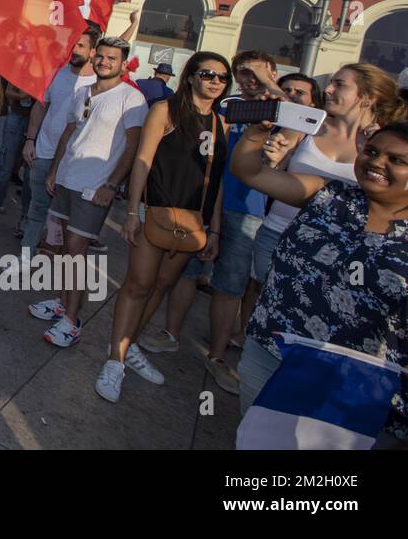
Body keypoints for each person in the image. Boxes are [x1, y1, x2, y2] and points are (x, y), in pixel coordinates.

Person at [230, 119, 408, 446]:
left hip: (358, 387)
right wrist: (257, 133)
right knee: (260, 443)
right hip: (275, 352)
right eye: (371, 151)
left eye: (396, 160)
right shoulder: (328, 192)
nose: (377, 162)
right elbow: (250, 172)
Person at [95, 53, 231, 402]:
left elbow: (214, 181)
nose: (215, 81)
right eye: (208, 74)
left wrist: (215, 229)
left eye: (222, 77)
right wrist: (131, 212)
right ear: (190, 77)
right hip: (153, 210)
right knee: (138, 285)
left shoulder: (220, 124)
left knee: (162, 285)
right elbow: (142, 161)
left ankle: (129, 345)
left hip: (190, 221)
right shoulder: (165, 111)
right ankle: (114, 360)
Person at [143, 50, 283, 388]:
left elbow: (288, 108)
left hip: (246, 209)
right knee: (186, 275)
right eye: (242, 74)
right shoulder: (227, 107)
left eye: (256, 75)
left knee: (230, 286)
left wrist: (266, 81)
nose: (248, 81)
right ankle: (170, 333)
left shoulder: (274, 108)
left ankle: (217, 357)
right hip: (203, 203)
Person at [243, 63, 405, 335]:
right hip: (278, 230)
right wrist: (274, 160)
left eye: (339, 85)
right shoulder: (309, 123)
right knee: (264, 297)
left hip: (339, 247)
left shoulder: (384, 143)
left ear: (367, 96)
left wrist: (371, 155)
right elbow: (269, 174)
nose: (328, 89)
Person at [31, 37, 146, 347]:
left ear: (124, 64)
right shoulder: (83, 92)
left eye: (113, 58)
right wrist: (55, 170)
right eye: (102, 56)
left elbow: (133, 146)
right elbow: (70, 132)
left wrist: (111, 184)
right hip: (67, 179)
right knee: (65, 249)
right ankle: (63, 302)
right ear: (95, 59)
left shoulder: (131, 99)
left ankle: (71, 320)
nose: (105, 62)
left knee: (77, 252)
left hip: (94, 187)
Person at [19, 29, 99, 253]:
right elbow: (40, 107)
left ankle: (56, 262)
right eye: (73, 44)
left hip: (73, 162)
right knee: (37, 208)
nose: (74, 50)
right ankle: (27, 253)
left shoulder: (97, 84)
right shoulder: (56, 74)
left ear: (93, 51)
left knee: (65, 218)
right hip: (44, 152)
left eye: (81, 46)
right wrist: (30, 140)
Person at [0, 79, 33, 230]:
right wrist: (22, 95)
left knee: (29, 174)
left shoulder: (53, 71)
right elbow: (8, 92)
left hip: (36, 122)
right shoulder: (25, 67)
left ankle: (25, 218)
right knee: (4, 166)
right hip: (15, 117)